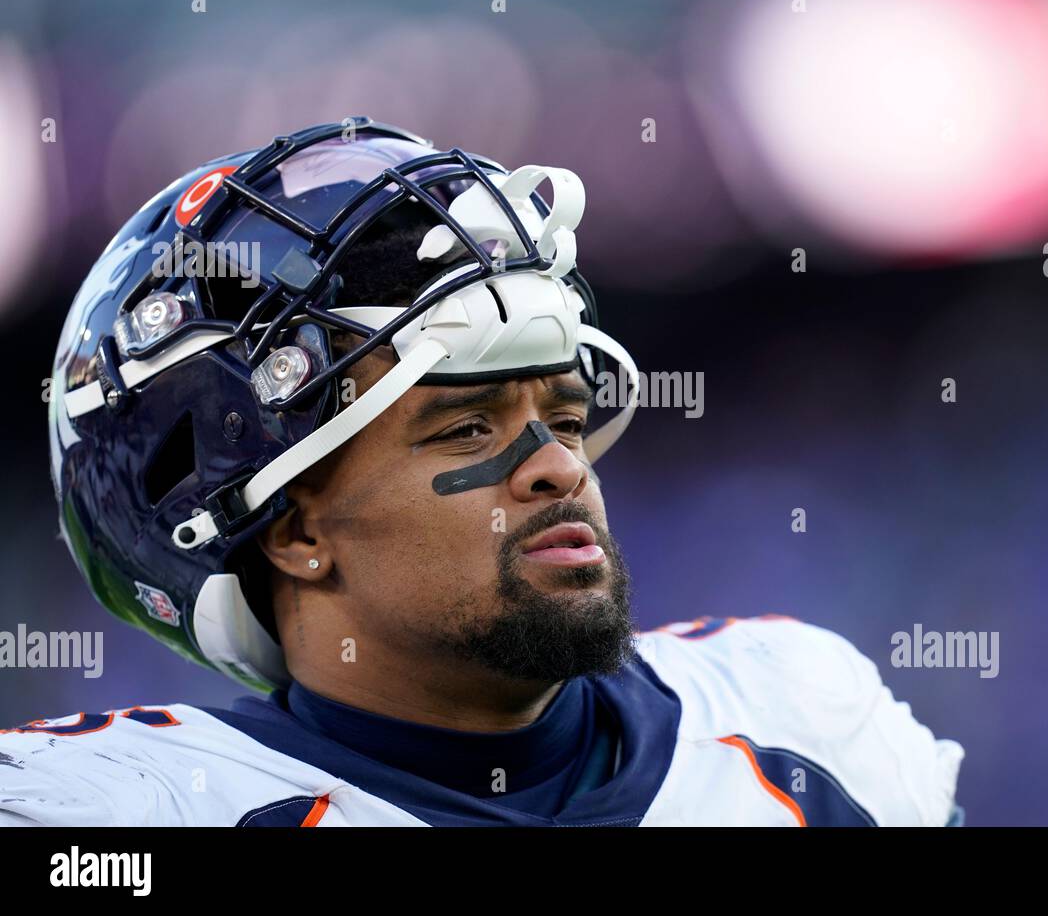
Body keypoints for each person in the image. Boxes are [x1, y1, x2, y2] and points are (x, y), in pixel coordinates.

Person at [4, 119, 964, 826]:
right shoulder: (126, 811)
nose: (557, 467)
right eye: (466, 428)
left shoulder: (800, 713)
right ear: (295, 532)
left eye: (563, 415)